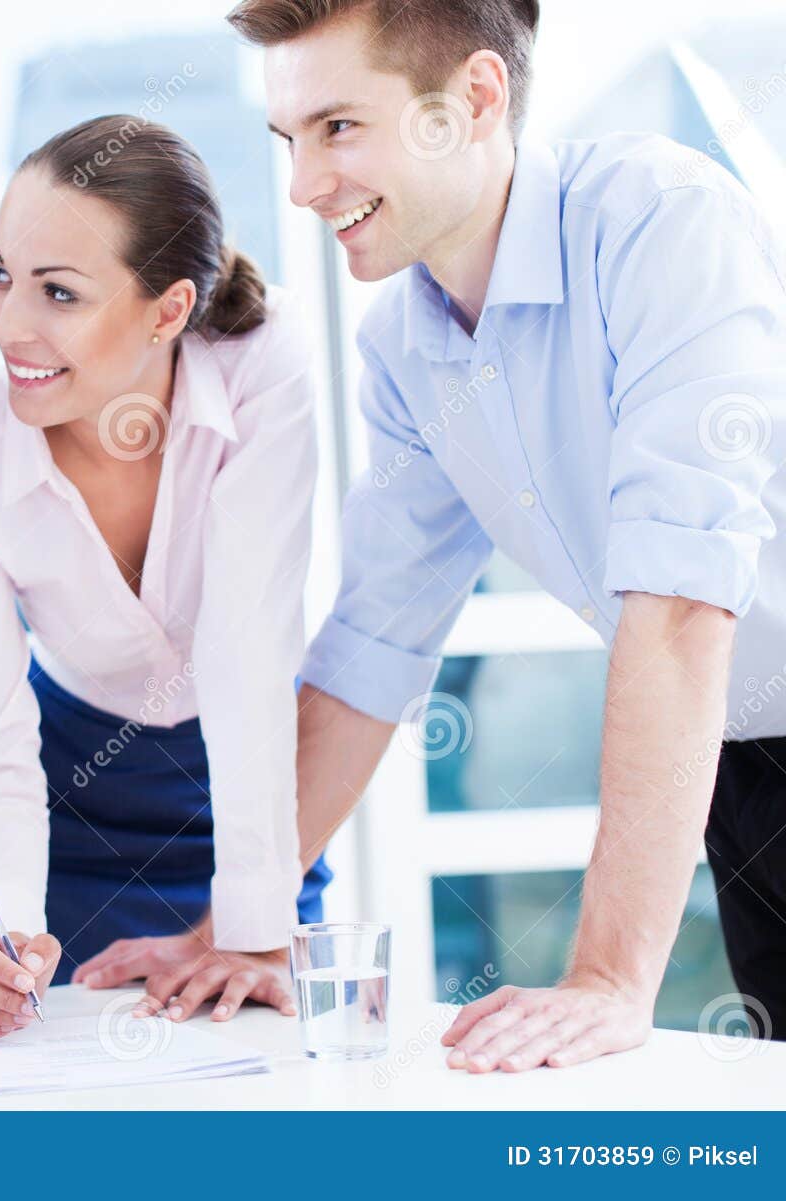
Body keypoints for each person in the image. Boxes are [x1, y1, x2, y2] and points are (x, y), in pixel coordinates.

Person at [225, 0, 786, 1068]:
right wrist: (236, 924)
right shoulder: (404, 349)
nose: (302, 185)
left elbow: (676, 603)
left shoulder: (659, 223)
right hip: (737, 765)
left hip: (715, 699)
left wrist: (611, 980)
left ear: (474, 100)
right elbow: (369, 650)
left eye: (339, 128)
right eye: (289, 141)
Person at [0, 116, 332, 1043]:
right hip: (73, 800)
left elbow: (250, 650)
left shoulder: (264, 366)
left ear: (169, 311)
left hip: (252, 787)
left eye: (58, 292)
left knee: (266, 1073)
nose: (7, 324)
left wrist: (258, 931)